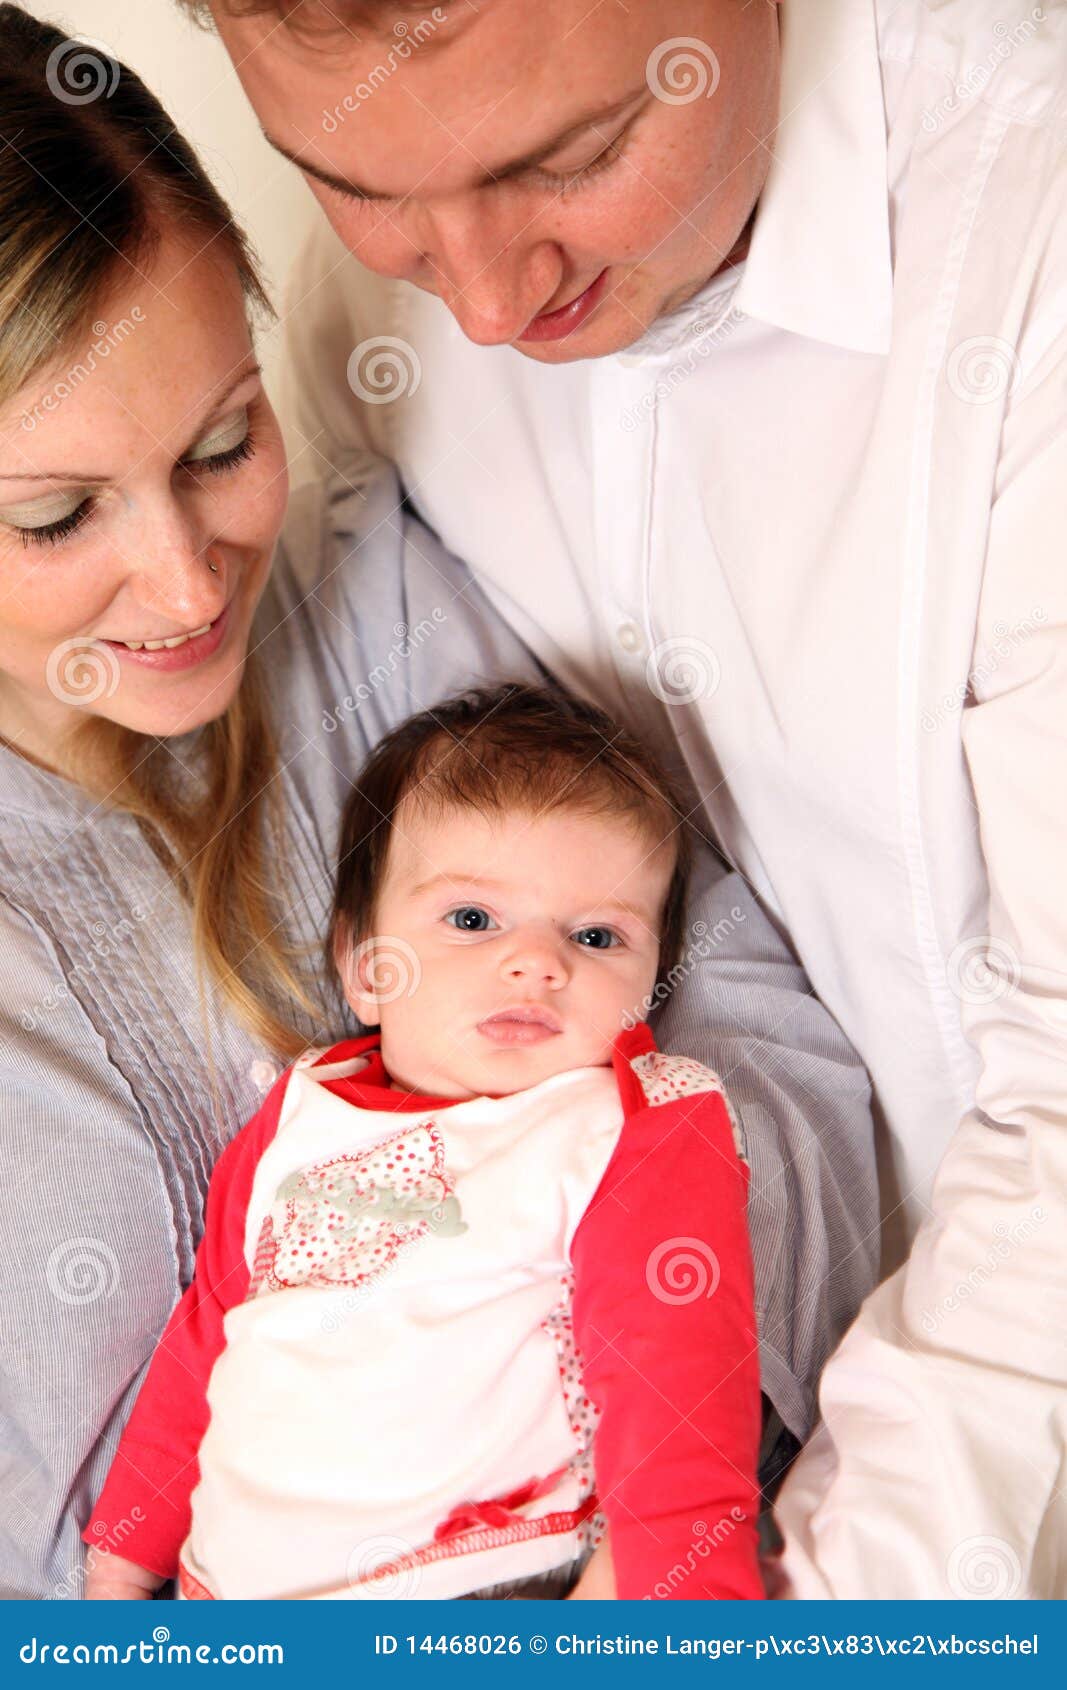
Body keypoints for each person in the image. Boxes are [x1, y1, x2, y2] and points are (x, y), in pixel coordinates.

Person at [188, 0, 1067, 1595]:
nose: (480, 298)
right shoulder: (365, 321)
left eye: (577, 155)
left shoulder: (1032, 261)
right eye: (360, 185)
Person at [0, 5, 876, 1600]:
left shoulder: (373, 593)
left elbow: (769, 1041)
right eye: (56, 515)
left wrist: (621, 1401)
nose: (192, 580)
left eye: (220, 439)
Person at [81, 683, 764, 1603]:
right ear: (366, 969)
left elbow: (681, 1394)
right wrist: (120, 1563)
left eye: (597, 935)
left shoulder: (625, 1130)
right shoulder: (296, 1118)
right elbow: (209, 1333)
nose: (536, 961)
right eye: (472, 920)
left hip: (483, 1578)